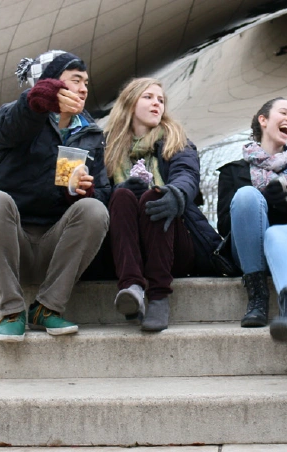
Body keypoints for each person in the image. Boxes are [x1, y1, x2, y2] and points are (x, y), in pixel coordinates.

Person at [0, 50, 111, 342]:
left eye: (86, 82)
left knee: (94, 209)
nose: (84, 88)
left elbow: (103, 194)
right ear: (51, 83)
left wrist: (82, 192)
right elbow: (14, 124)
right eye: (75, 80)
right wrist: (38, 101)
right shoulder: (18, 116)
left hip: (56, 248)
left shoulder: (91, 134)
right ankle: (11, 311)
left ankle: (47, 308)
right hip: (10, 245)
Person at [104, 78, 228, 332]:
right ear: (130, 103)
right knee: (122, 195)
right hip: (125, 249)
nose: (157, 104)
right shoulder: (106, 146)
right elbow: (97, 190)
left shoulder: (176, 140)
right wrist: (119, 188)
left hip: (173, 246)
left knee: (156, 196)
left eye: (160, 100)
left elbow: (187, 174)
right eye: (148, 97)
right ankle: (131, 287)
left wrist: (176, 193)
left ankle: (159, 297)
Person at [217, 97, 287, 350]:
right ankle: (257, 295)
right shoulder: (233, 172)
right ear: (263, 120)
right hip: (250, 253)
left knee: (275, 235)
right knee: (247, 195)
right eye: (284, 112)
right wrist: (263, 201)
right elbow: (224, 227)